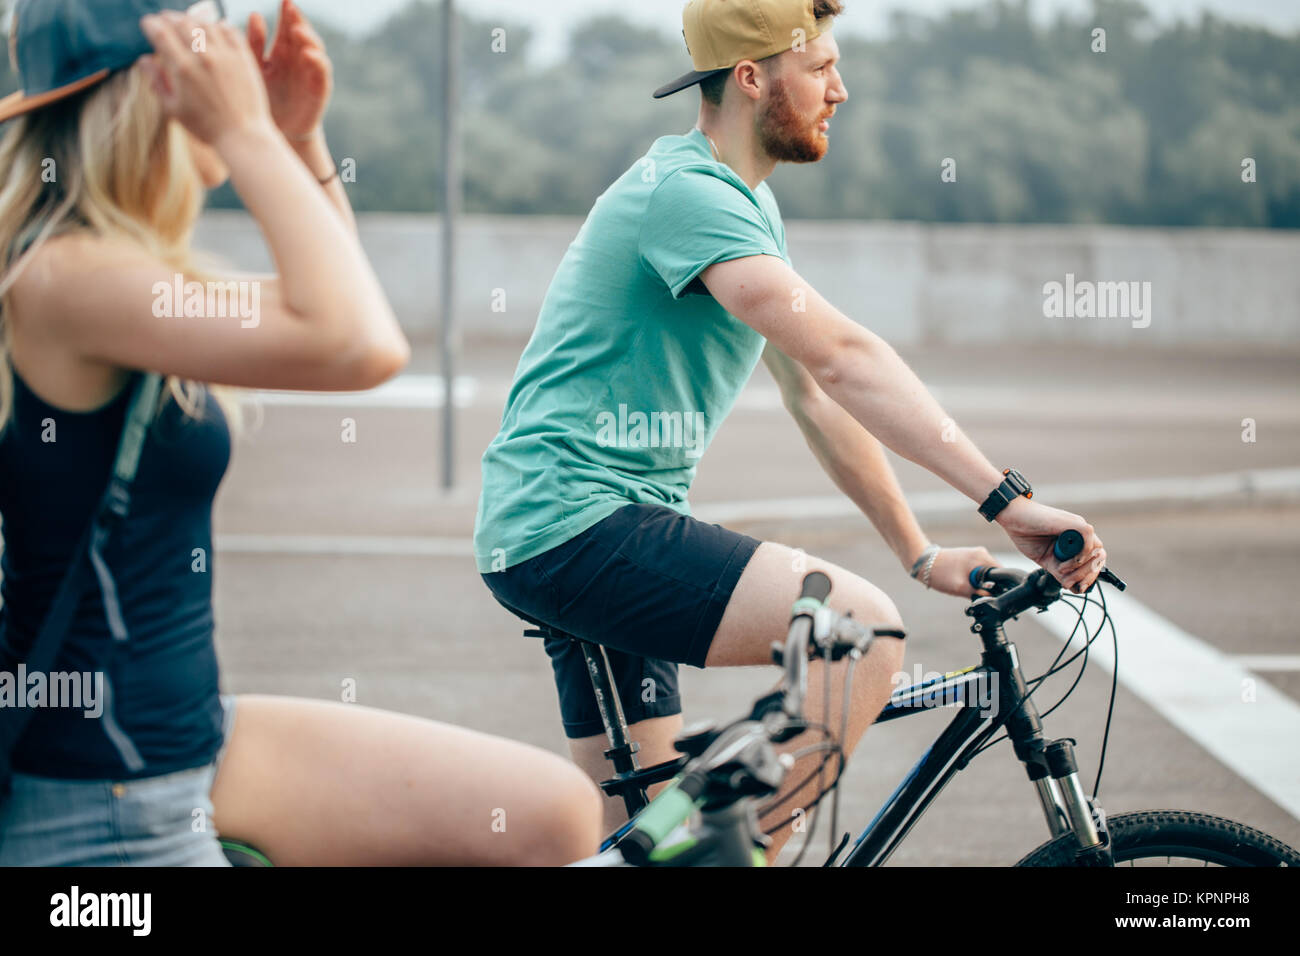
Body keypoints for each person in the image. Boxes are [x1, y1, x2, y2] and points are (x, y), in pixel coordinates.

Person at [475, 0, 1108, 857]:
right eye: (821, 69)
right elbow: (845, 357)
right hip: (581, 526)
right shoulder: (690, 196)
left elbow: (815, 392)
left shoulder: (736, 207)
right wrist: (1005, 500)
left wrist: (919, 553)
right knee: (865, 632)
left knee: (642, 841)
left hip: (556, 533)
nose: (841, 90)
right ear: (751, 77)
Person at [0, 0, 601, 866]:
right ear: (157, 89)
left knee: (552, 814)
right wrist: (244, 134)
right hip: (105, 804)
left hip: (187, 740)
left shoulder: (117, 271)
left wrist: (293, 141)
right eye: (216, 64)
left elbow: (341, 313)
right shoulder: (63, 279)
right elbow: (356, 343)